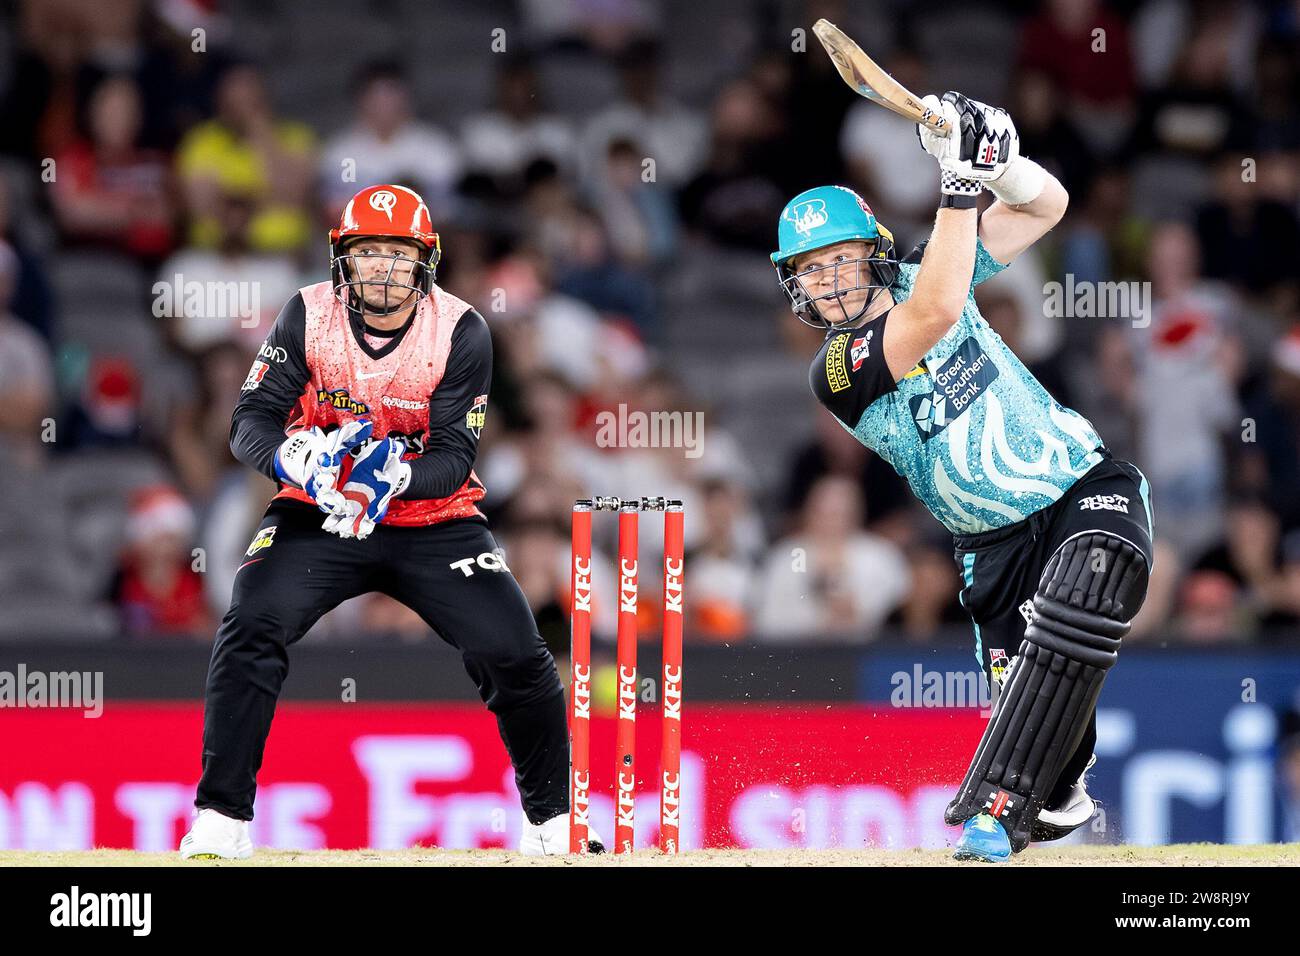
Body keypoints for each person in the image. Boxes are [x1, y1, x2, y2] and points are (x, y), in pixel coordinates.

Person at [771, 93, 1155, 862]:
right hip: (995, 548)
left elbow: (1049, 205)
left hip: (1083, 483)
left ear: (874, 251)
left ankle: (999, 810)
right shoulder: (837, 371)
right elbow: (940, 309)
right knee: (1049, 721)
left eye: (840, 257)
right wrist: (957, 174)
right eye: (810, 271)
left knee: (1082, 589)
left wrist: (999, 161)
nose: (829, 281)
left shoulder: (927, 265)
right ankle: (1057, 793)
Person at [179, 184, 601, 859]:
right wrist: (296, 460)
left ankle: (553, 820)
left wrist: (393, 476)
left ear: (424, 262)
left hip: (432, 515)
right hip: (318, 510)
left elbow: (455, 454)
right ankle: (221, 816)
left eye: (395, 254)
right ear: (342, 259)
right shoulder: (307, 315)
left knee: (516, 652)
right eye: (366, 252)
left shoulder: (462, 329)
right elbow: (249, 422)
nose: (380, 267)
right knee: (252, 619)